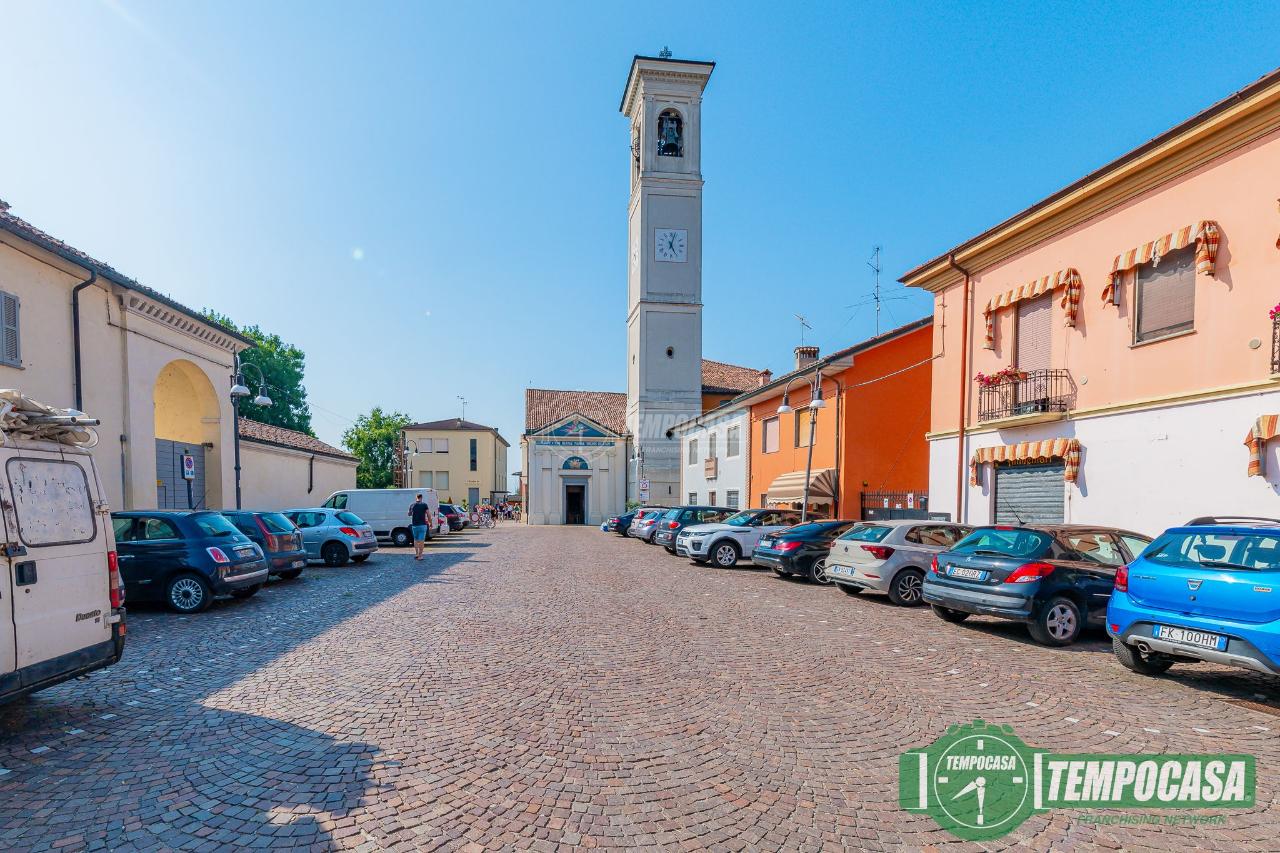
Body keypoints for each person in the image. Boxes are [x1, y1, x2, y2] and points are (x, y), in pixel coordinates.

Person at [408, 493, 431, 560]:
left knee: (415, 539)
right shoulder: (424, 505)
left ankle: (416, 553)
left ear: (416, 497)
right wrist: (430, 522)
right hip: (422, 525)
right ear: (421, 497)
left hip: (414, 525)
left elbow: (409, 514)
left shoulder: (412, 505)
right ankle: (420, 556)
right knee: (421, 540)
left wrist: (412, 512)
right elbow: (428, 514)